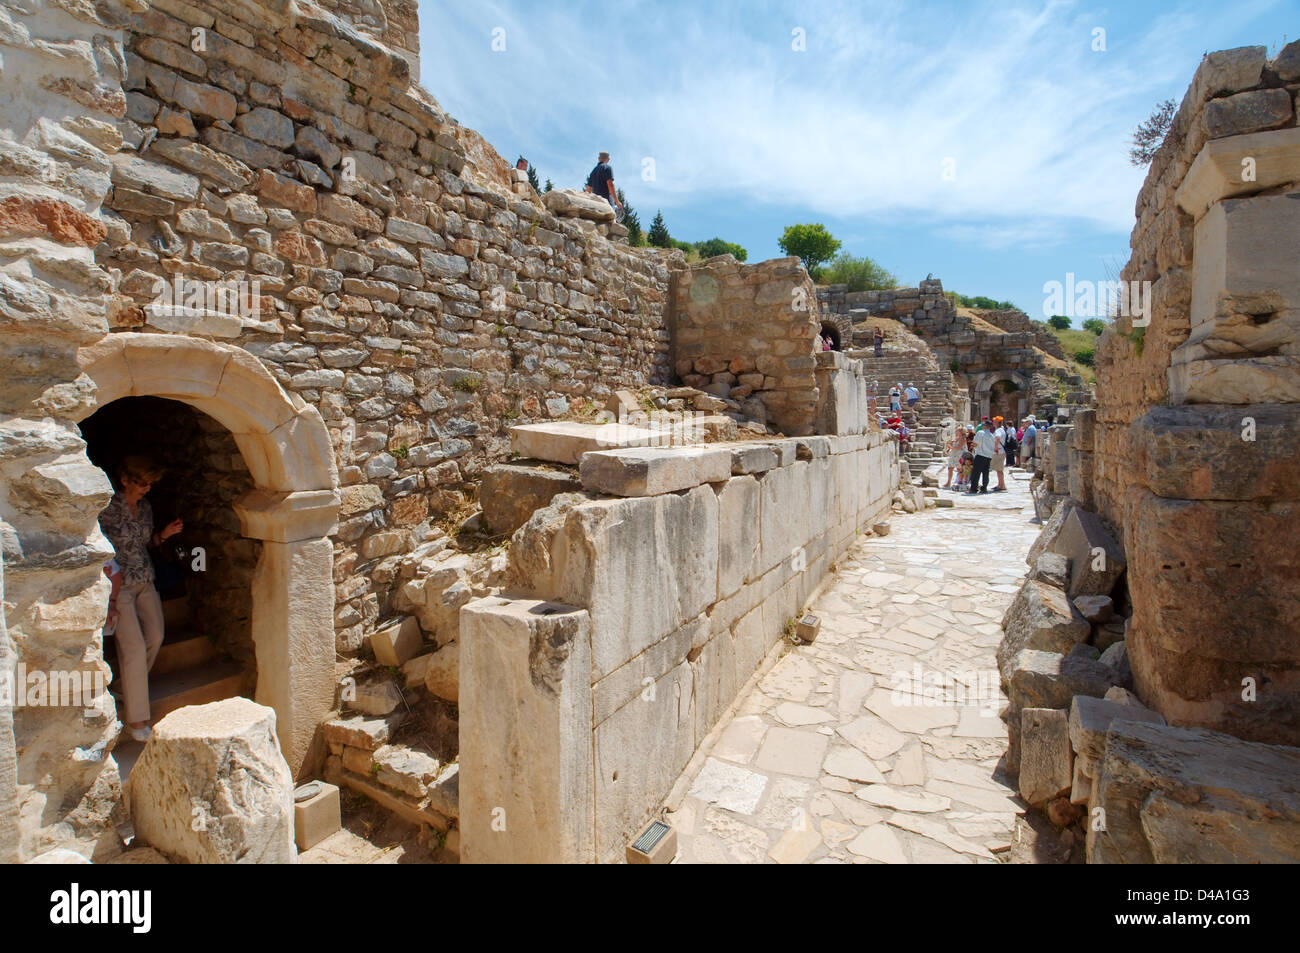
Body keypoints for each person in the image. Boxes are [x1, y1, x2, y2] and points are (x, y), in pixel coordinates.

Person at [98, 455, 183, 742]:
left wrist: (164, 535)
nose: (147, 488)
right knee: (133, 649)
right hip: (118, 587)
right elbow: (98, 548)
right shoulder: (107, 508)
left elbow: (145, 543)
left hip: (145, 579)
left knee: (156, 636)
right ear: (125, 479)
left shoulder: (145, 508)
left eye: (150, 484)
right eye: (142, 482)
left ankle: (123, 688)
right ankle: (137, 722)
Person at [584, 151, 622, 216]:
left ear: (599, 158)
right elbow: (610, 185)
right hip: (607, 202)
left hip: (596, 203)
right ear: (608, 159)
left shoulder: (593, 172)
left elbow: (588, 190)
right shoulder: (607, 168)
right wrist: (617, 201)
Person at [968, 423, 996, 494]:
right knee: (985, 473)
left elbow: (975, 443)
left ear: (984, 426)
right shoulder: (992, 436)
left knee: (976, 473)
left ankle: (973, 488)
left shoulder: (980, 433)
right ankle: (984, 488)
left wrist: (972, 445)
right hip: (988, 456)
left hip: (980, 455)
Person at [991, 416, 1008, 491]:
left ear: (997, 423)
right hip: (1000, 451)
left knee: (999, 469)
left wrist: (995, 447)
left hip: (998, 452)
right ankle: (1000, 484)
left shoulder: (998, 430)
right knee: (999, 469)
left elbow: (997, 438)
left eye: (994, 421)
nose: (993, 423)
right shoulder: (1001, 429)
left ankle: (1002, 485)